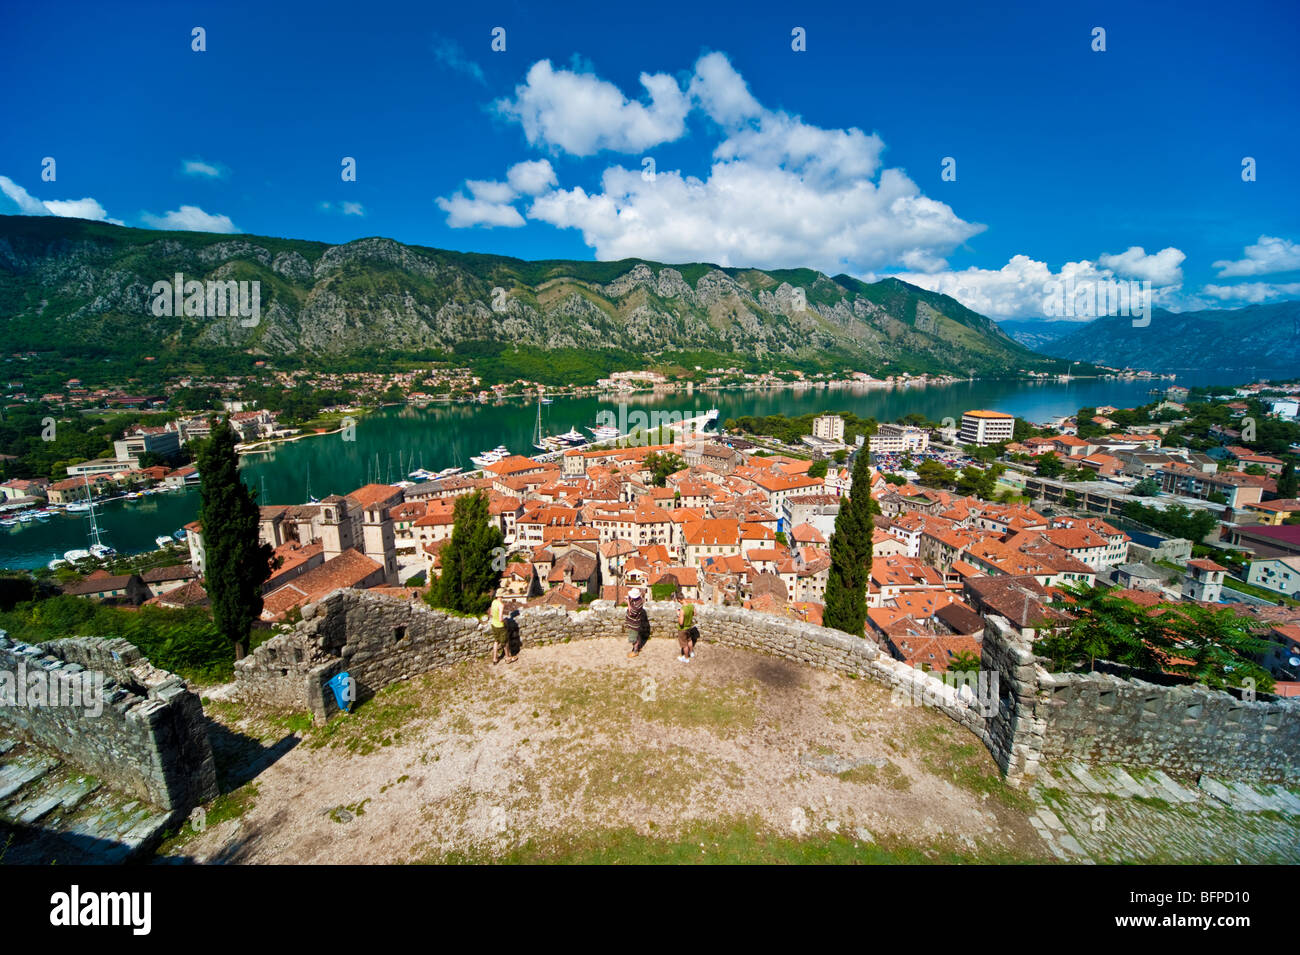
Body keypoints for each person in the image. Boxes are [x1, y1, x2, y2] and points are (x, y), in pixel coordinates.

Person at [489, 596, 514, 664]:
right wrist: (505, 621)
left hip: (493, 624)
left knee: (496, 641)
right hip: (500, 626)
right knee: (505, 642)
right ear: (502, 596)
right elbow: (500, 619)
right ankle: (507, 658)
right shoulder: (501, 605)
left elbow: (491, 613)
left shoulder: (493, 602)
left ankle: (495, 659)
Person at [625, 587, 646, 658]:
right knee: (637, 635)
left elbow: (631, 613)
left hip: (634, 623)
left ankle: (635, 651)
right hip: (636, 622)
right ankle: (637, 648)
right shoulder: (639, 600)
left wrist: (628, 602)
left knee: (633, 638)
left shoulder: (637, 604)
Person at [676, 598, 696, 662]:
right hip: (689, 627)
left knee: (684, 645)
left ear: (679, 600)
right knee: (689, 640)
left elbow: (681, 623)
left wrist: (678, 615)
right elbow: (695, 614)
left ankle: (686, 658)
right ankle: (691, 653)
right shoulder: (691, 606)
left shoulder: (682, 610)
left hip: (683, 629)